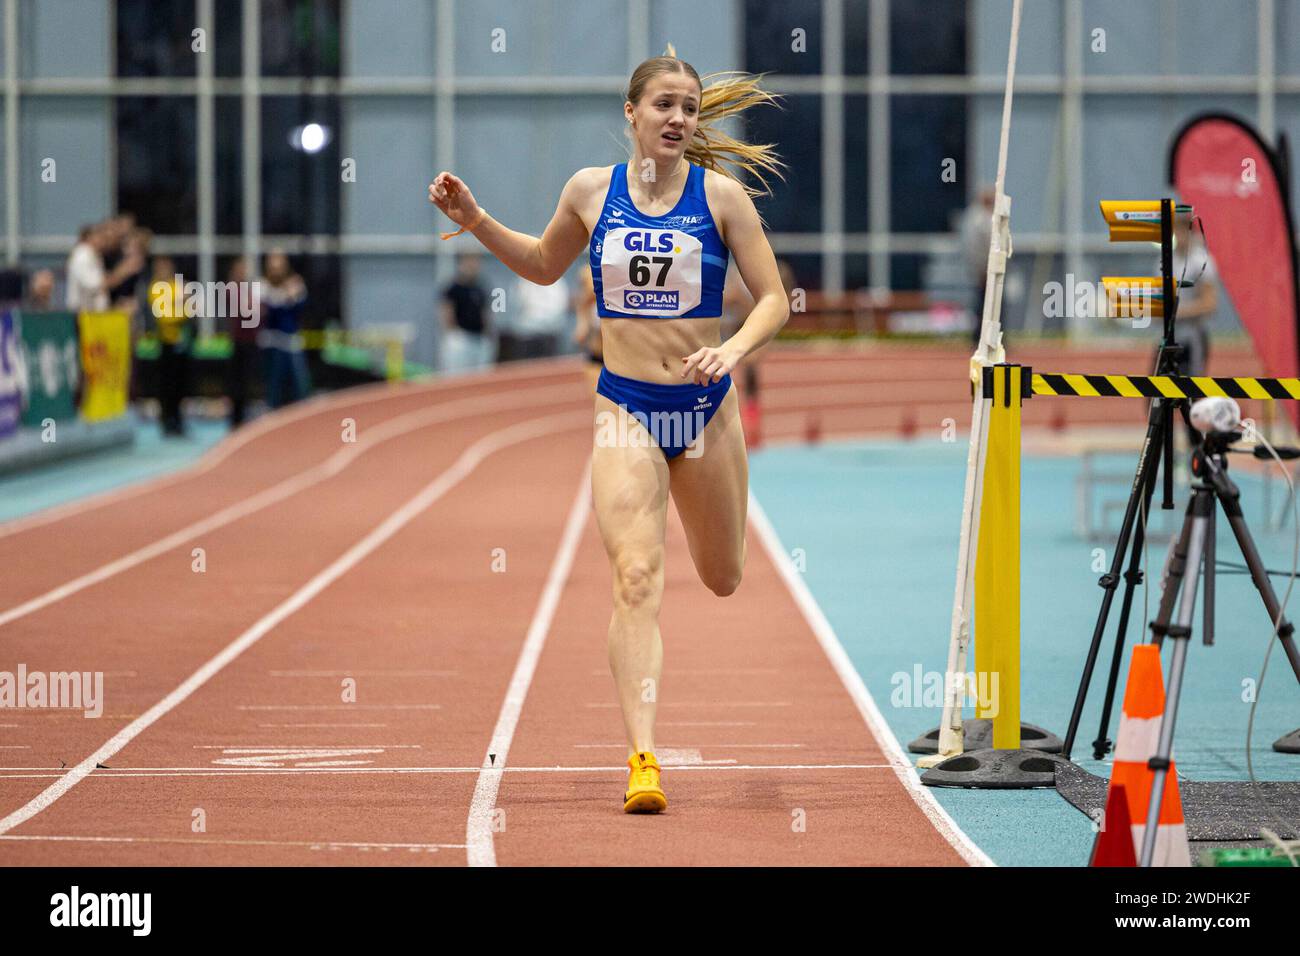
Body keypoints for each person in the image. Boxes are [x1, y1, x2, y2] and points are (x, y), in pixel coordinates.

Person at [429, 46, 789, 813]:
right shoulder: (592, 192)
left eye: (689, 107)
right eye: (664, 105)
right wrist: (477, 220)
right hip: (624, 406)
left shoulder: (721, 198)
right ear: (631, 114)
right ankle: (643, 760)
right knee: (634, 576)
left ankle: (646, 747)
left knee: (723, 576)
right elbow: (539, 264)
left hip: (706, 414)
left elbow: (775, 300)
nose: (679, 119)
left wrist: (729, 349)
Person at [258, 250, 310, 408]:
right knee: (273, 385)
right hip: (272, 342)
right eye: (273, 266)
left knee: (300, 384)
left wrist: (290, 297)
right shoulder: (263, 286)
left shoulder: (295, 284)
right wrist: (285, 297)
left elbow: (299, 308)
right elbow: (268, 311)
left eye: (279, 265)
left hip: (290, 341)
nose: (276, 269)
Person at [147, 254, 190, 436]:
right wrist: (179, 305)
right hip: (165, 342)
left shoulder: (176, 286)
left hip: (181, 342)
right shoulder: (155, 288)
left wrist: (180, 305)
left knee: (181, 385)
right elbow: (163, 315)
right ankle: (167, 421)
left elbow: (189, 310)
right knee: (166, 385)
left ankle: (178, 420)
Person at [439, 252, 493, 372]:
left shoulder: (481, 288)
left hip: (479, 338)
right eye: (469, 263)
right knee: (457, 375)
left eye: (475, 263)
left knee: (480, 375)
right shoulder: (453, 288)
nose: (473, 266)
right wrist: (452, 332)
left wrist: (488, 332)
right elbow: (446, 310)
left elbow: (485, 312)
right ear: (461, 265)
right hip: (460, 338)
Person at [224, 257, 261, 427]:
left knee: (246, 382)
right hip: (238, 341)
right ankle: (235, 417)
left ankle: (243, 415)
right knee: (236, 383)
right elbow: (246, 310)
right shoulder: (232, 289)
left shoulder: (249, 289)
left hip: (250, 341)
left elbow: (257, 311)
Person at [959, 185, 996, 347]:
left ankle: (983, 336)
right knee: (985, 304)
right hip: (984, 269)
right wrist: (983, 269)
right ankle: (981, 337)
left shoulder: (977, 217)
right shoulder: (979, 219)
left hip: (984, 267)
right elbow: (977, 247)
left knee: (987, 304)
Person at [572, 266, 602, 392]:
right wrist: (581, 325)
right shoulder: (586, 271)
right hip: (596, 352)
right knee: (598, 397)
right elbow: (583, 301)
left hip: (620, 355)